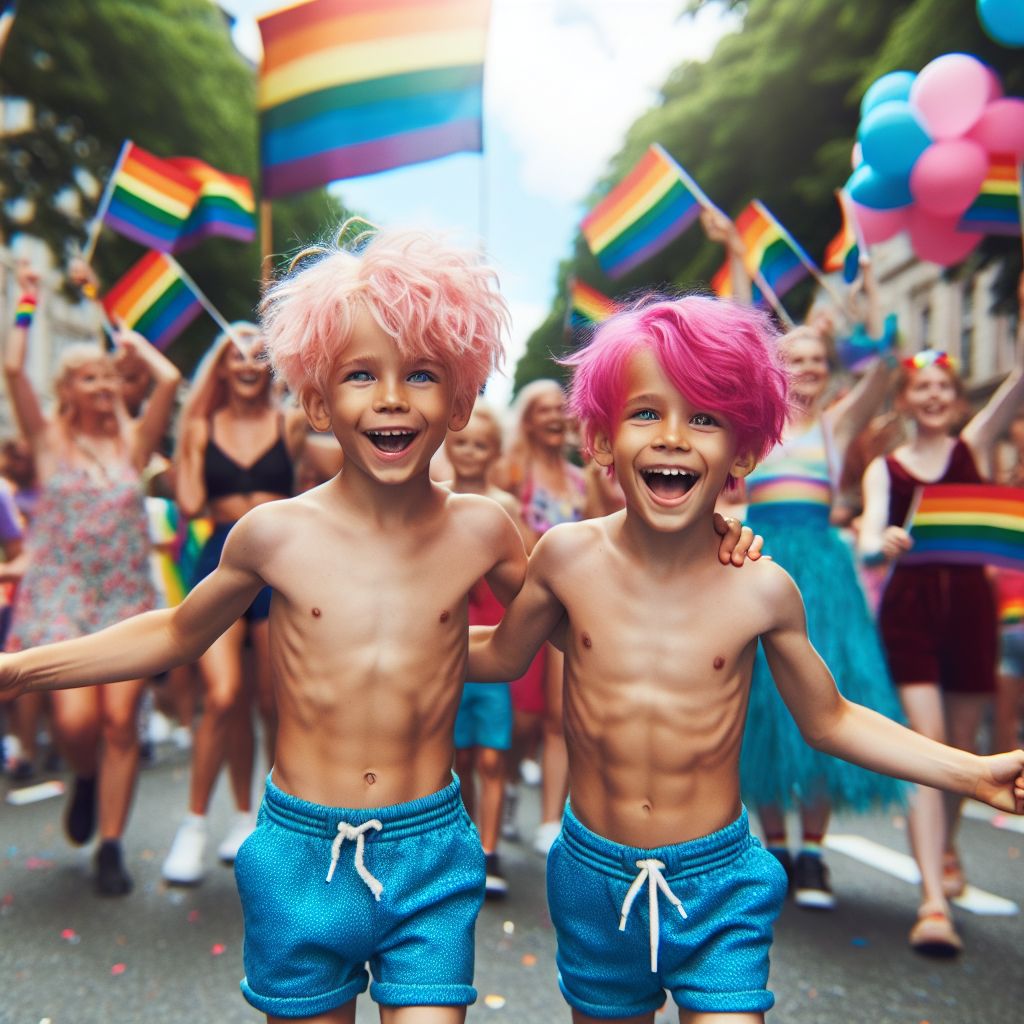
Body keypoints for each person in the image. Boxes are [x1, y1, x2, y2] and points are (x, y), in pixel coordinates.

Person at [467, 295, 1024, 1023]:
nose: (673, 437)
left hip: (718, 879)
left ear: (745, 454)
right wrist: (370, 632)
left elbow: (830, 720)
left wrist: (972, 770)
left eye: (704, 418)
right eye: (645, 414)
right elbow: (502, 654)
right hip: (593, 875)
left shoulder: (760, 586)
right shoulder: (567, 557)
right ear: (601, 442)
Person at [704, 207, 905, 909]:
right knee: (765, 710)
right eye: (795, 359)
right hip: (762, 567)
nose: (808, 369)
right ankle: (779, 849)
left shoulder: (838, 427)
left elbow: (883, 362)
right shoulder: (755, 431)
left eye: (817, 361)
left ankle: (814, 855)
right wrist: (734, 252)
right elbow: (733, 337)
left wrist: (872, 280)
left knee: (828, 695)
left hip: (823, 572)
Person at [3, 260, 181, 895]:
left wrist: (115, 317)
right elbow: (14, 370)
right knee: (77, 726)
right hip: (61, 602)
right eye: (88, 376)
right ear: (68, 390)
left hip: (125, 602)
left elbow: (169, 377)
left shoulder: (135, 444)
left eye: (107, 374)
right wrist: (28, 298)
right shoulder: (48, 441)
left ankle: (110, 845)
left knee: (119, 722)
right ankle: (83, 777)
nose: (103, 384)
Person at [859, 339, 1024, 956]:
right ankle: (932, 900)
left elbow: (1016, 391)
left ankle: (947, 845)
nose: (933, 396)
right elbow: (869, 537)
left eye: (943, 389)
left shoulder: (971, 448)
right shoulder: (887, 468)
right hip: (911, 613)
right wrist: (884, 543)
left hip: (970, 614)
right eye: (922, 387)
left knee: (961, 751)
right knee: (928, 747)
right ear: (905, 399)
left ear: (955, 402)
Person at [161, 322, 311, 885]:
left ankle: (262, 819)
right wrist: (189, 447)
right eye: (236, 356)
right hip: (222, 559)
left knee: (274, 702)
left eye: (258, 357)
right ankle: (196, 823)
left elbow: (312, 480)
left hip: (280, 563)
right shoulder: (201, 423)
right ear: (220, 368)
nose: (248, 365)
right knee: (223, 696)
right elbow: (195, 501)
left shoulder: (290, 422)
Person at [494, 378, 587, 854]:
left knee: (560, 716)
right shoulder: (512, 472)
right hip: (521, 604)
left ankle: (551, 820)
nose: (554, 416)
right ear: (528, 419)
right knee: (522, 721)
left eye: (560, 409)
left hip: (571, 609)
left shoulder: (581, 482)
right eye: (544, 409)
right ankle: (506, 784)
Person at [446, 402, 531, 897]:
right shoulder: (436, 501)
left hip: (494, 636)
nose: (471, 453)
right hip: (450, 640)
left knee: (493, 754)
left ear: (495, 451)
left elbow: (517, 579)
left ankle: (491, 851)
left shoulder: (505, 506)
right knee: (456, 755)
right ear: (448, 446)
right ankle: (465, 843)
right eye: (462, 443)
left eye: (481, 444)